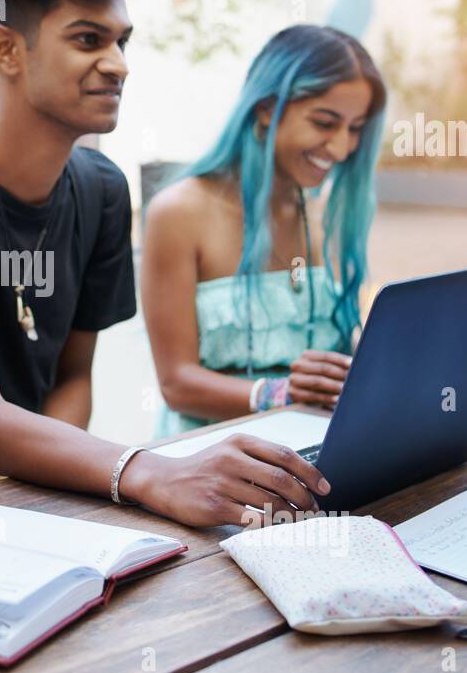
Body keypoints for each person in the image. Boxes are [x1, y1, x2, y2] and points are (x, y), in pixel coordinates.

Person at [0, 0, 328, 527]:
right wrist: (142, 473)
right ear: (6, 49)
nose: (117, 63)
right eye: (88, 40)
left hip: (38, 484)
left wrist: (41, 494)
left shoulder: (103, 190)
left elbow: (72, 376)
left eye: (122, 42)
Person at [142, 24, 387, 438]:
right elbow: (176, 384)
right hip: (208, 455)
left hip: (315, 446)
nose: (343, 147)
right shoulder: (179, 213)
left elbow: (340, 353)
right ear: (267, 108)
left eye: (355, 128)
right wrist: (279, 393)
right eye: (326, 122)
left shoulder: (322, 211)